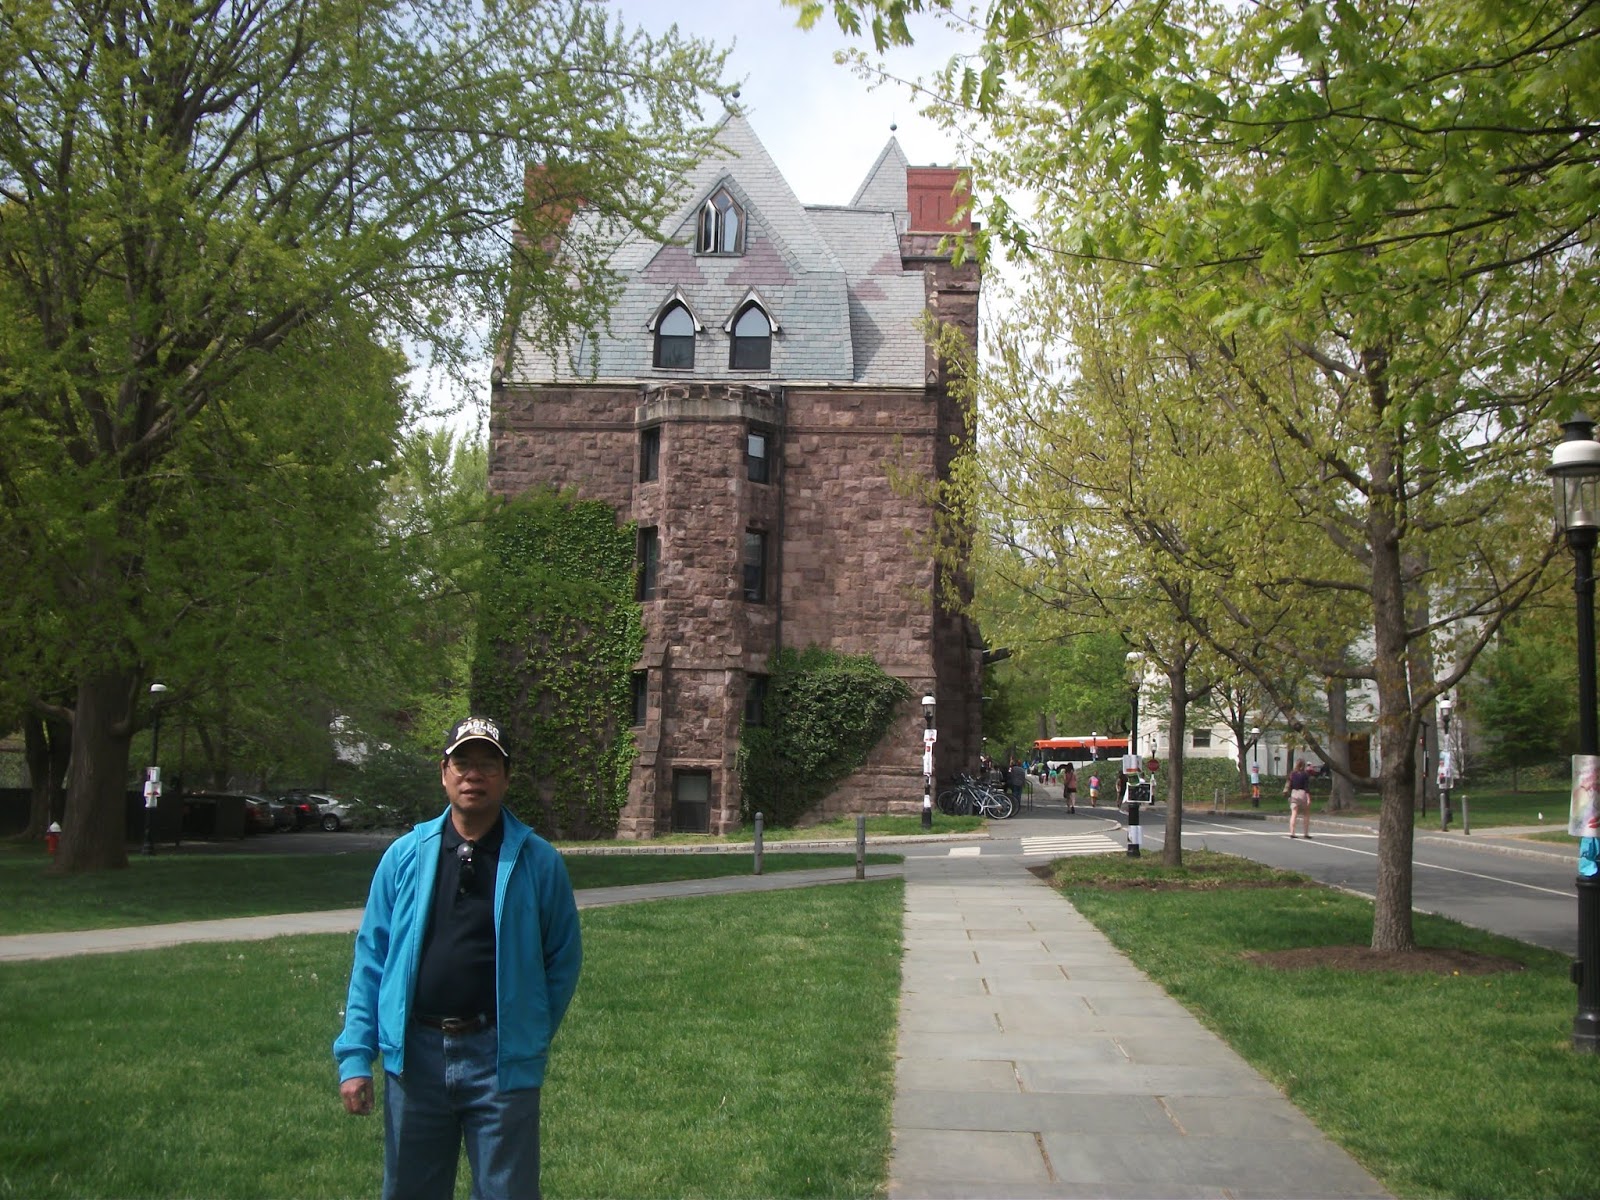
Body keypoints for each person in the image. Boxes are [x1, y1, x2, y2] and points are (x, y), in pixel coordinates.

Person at [335, 715, 582, 1200]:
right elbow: (372, 959)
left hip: (499, 1059)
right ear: (444, 772)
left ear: (506, 778)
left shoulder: (538, 861)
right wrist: (356, 1057)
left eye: (488, 765)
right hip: (416, 1060)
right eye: (463, 763)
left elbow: (563, 958)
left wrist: (525, 1030)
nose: (474, 775)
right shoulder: (405, 856)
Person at [1286, 758, 1313, 839]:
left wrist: (1289, 796)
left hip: (1294, 794)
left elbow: (1290, 786)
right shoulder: (1305, 775)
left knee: (1294, 814)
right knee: (1306, 814)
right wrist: (1308, 798)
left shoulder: (1292, 774)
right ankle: (1305, 833)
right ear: (1303, 765)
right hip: (1302, 794)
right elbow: (1306, 787)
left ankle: (1292, 833)